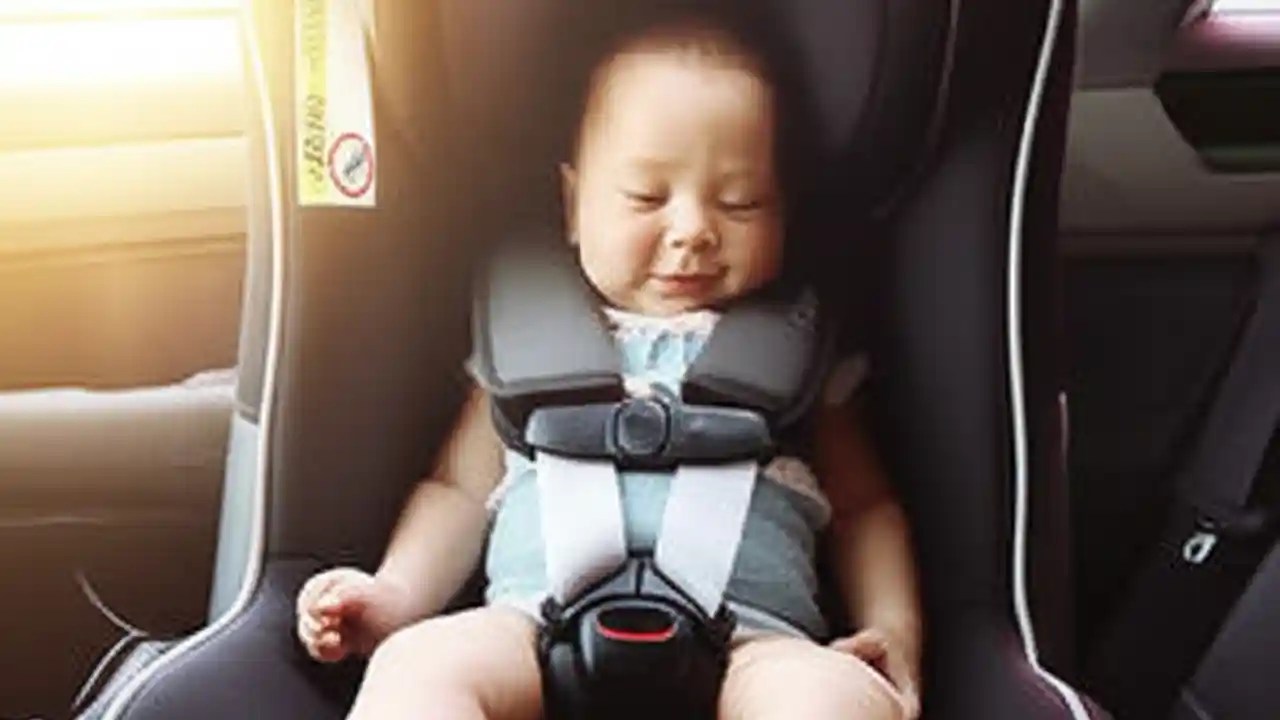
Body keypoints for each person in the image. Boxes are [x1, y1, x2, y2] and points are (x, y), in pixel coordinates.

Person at [295, 14, 922, 720]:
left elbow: (866, 511)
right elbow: (458, 492)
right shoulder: (526, 343)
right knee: (416, 668)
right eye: (647, 198)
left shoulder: (802, 350)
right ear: (573, 204)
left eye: (740, 202)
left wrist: (894, 629)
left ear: (784, 212)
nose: (692, 230)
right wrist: (397, 594)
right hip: (532, 628)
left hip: (752, 646)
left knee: (835, 699)